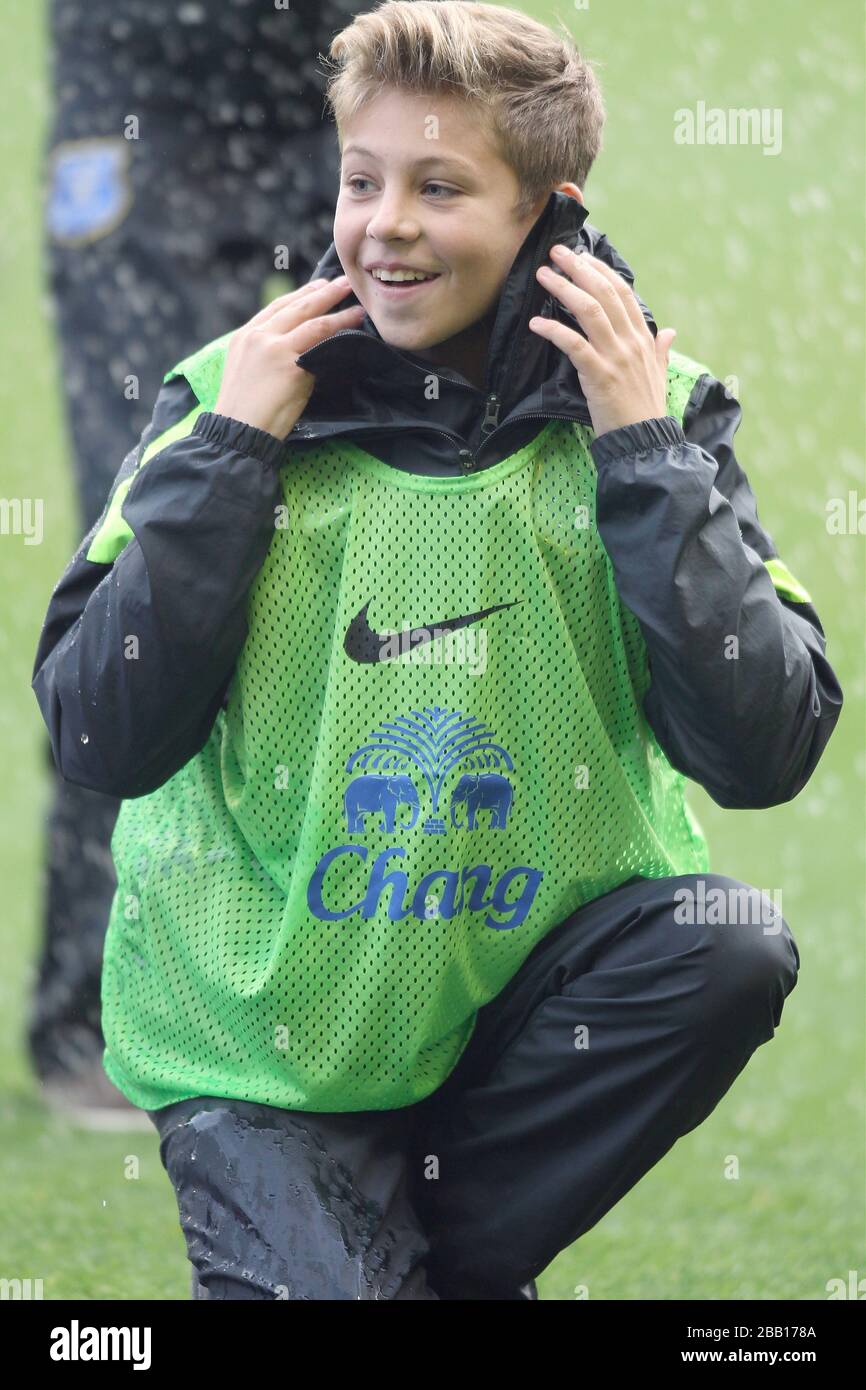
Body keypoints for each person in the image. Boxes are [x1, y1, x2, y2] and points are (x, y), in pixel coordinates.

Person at [31, 0, 842, 1298]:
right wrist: (230, 461)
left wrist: (644, 459)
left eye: (438, 185)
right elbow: (96, 732)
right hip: (261, 1052)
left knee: (723, 936)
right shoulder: (224, 398)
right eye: (361, 180)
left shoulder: (661, 417)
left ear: (546, 212)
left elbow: (761, 751)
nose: (382, 224)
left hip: (495, 1027)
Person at [32, 0, 366, 1126]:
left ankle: (366, 971)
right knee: (153, 511)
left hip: (347, 76)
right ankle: (97, 1006)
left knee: (397, 476)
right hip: (142, 98)